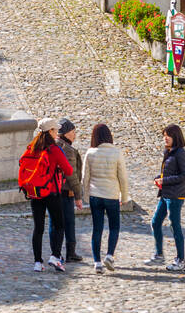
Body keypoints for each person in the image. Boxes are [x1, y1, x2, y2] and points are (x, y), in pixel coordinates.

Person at [18, 117, 75, 273]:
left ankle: (37, 262)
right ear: (50, 131)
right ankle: (55, 257)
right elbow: (69, 170)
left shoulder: (32, 147)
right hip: (51, 192)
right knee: (59, 224)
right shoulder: (54, 149)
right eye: (55, 130)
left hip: (35, 192)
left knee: (38, 228)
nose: (57, 133)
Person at [81, 123, 130, 274]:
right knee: (114, 227)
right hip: (111, 195)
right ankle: (109, 255)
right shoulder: (116, 153)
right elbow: (122, 177)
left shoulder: (90, 153)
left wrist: (86, 197)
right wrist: (124, 196)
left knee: (97, 229)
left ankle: (96, 262)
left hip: (96, 195)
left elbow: (85, 178)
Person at [147, 123, 185, 272]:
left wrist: (164, 181)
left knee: (174, 226)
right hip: (165, 194)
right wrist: (158, 178)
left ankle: (181, 260)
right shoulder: (168, 152)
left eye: (168, 136)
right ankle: (158, 254)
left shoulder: (180, 153)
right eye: (164, 136)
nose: (165, 139)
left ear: (175, 137)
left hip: (176, 196)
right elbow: (168, 173)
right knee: (155, 221)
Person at [50, 118, 84, 262]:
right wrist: (78, 195)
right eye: (73, 132)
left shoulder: (51, 145)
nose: (75, 135)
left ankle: (55, 252)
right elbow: (72, 176)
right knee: (68, 223)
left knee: (54, 222)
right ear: (66, 133)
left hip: (51, 192)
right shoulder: (67, 150)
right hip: (64, 192)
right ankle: (70, 252)